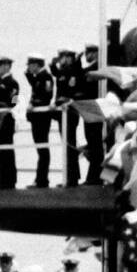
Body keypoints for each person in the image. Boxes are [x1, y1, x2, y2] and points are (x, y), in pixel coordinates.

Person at [51, 47, 82, 187]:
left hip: (69, 113)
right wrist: (53, 63)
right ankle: (70, 176)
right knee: (67, 145)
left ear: (68, 58)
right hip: (62, 113)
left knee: (69, 145)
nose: (61, 60)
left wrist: (64, 101)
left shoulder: (74, 71)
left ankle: (72, 178)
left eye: (63, 57)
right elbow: (56, 73)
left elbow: (73, 92)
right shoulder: (63, 72)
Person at [25, 54, 55, 188]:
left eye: (30, 65)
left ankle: (42, 180)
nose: (28, 67)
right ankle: (40, 179)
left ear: (36, 65)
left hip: (42, 117)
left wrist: (34, 104)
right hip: (36, 117)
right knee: (40, 148)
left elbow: (46, 95)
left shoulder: (46, 77)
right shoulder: (38, 77)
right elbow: (34, 89)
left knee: (42, 148)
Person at [77, 44, 105, 184]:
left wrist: (76, 62)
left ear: (94, 53)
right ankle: (93, 176)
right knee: (93, 143)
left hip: (93, 109)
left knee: (95, 144)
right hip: (88, 110)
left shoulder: (97, 68)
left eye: (88, 53)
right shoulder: (92, 68)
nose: (86, 56)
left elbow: (81, 77)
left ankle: (95, 177)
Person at [0, 56, 20, 190]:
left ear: (7, 66)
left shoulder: (13, 83)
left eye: (1, 66)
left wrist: (0, 107)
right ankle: (3, 179)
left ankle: (10, 180)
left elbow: (13, 102)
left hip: (6, 119)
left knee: (6, 150)